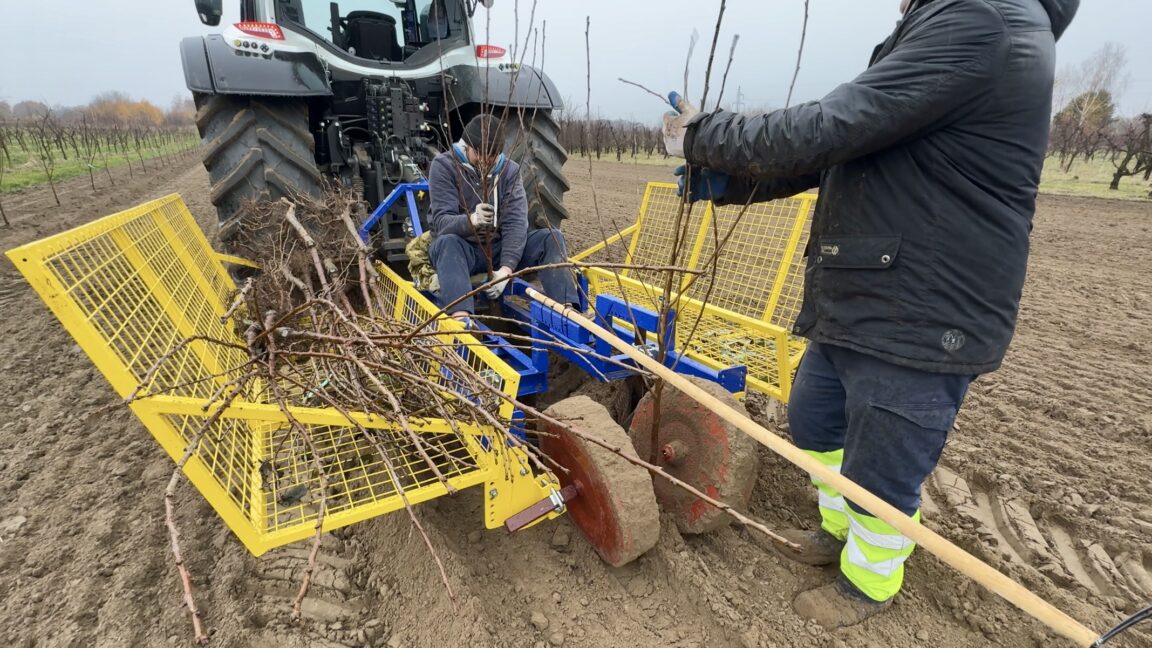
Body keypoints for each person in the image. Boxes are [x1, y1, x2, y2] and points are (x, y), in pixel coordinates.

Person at [661, 0, 1079, 629]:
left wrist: (705, 136)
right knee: (815, 420)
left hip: (923, 305)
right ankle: (837, 532)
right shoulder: (947, 22)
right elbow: (854, 150)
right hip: (866, 287)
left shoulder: (984, 20)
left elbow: (833, 125)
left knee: (883, 469)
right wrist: (733, 182)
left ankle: (867, 583)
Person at [427, 114, 579, 322]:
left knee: (551, 238)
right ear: (466, 146)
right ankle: (461, 319)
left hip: (497, 248)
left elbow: (516, 223)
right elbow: (441, 223)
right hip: (462, 249)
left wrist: (506, 270)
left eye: (492, 155)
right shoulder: (444, 166)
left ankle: (568, 312)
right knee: (446, 243)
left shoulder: (509, 171)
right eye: (479, 153)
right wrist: (471, 220)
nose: (485, 160)